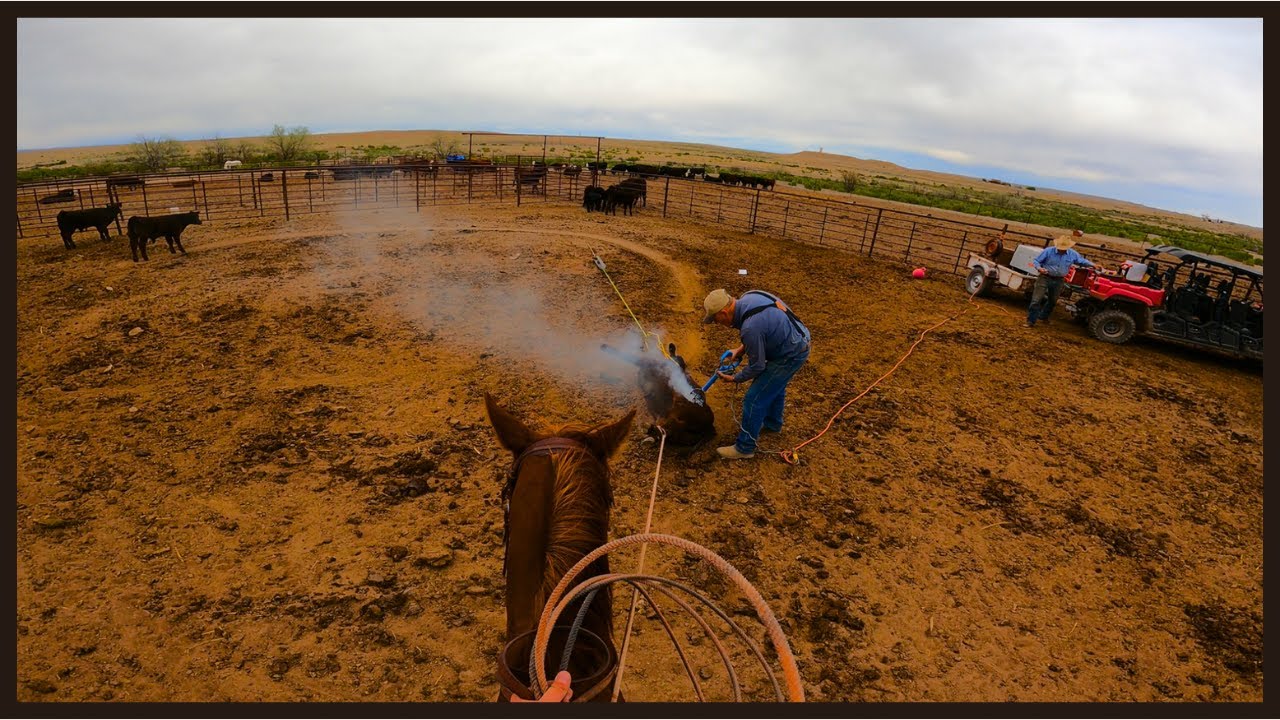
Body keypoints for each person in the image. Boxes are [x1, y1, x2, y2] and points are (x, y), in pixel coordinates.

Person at [702, 288, 811, 460]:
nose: (717, 323)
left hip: (790, 354)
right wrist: (740, 349)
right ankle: (773, 424)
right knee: (773, 386)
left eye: (716, 320)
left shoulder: (750, 328)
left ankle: (745, 448)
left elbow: (757, 366)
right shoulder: (749, 296)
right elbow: (763, 329)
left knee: (754, 399)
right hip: (798, 339)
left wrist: (735, 378)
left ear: (723, 313)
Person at [1026, 229, 1094, 328]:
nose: (1062, 250)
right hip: (1045, 277)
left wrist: (1093, 265)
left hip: (1059, 279)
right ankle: (1031, 321)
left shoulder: (1072, 254)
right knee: (1036, 300)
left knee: (1053, 301)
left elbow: (1081, 261)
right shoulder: (1048, 251)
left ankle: (1043, 316)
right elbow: (1036, 261)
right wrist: (1039, 268)